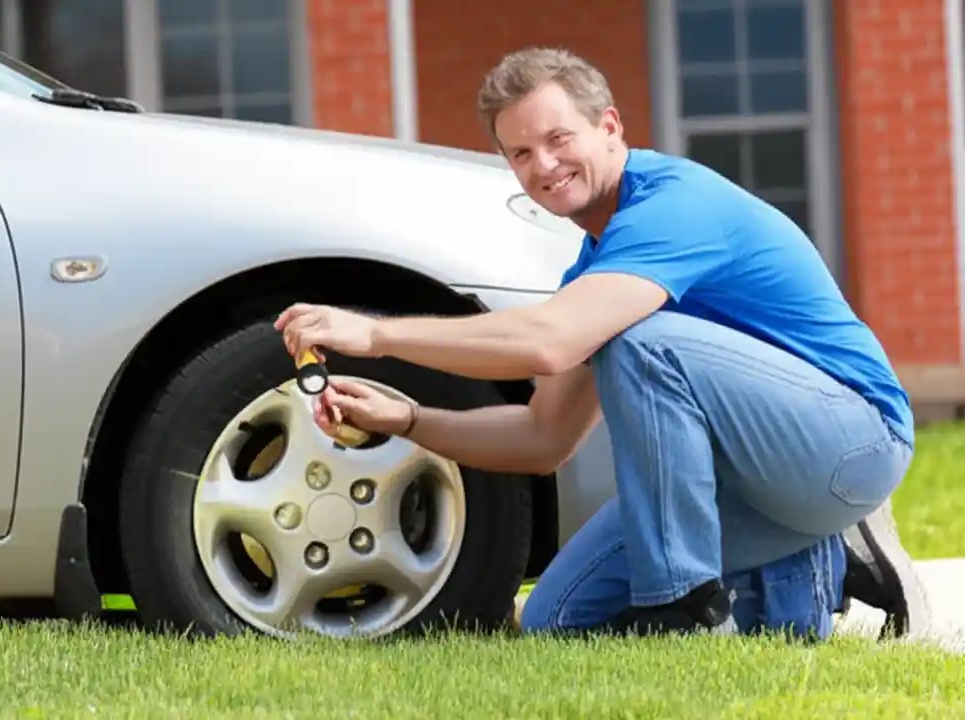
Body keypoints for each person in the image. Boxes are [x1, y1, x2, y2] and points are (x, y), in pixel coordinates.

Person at [274, 46, 928, 640]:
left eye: (558, 139)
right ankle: (816, 564)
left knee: (641, 342)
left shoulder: (674, 207)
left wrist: (376, 333)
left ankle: (688, 608)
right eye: (520, 154)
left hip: (851, 443)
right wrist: (409, 420)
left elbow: (552, 340)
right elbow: (542, 437)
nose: (544, 166)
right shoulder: (595, 272)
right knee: (560, 620)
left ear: (609, 127)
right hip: (748, 479)